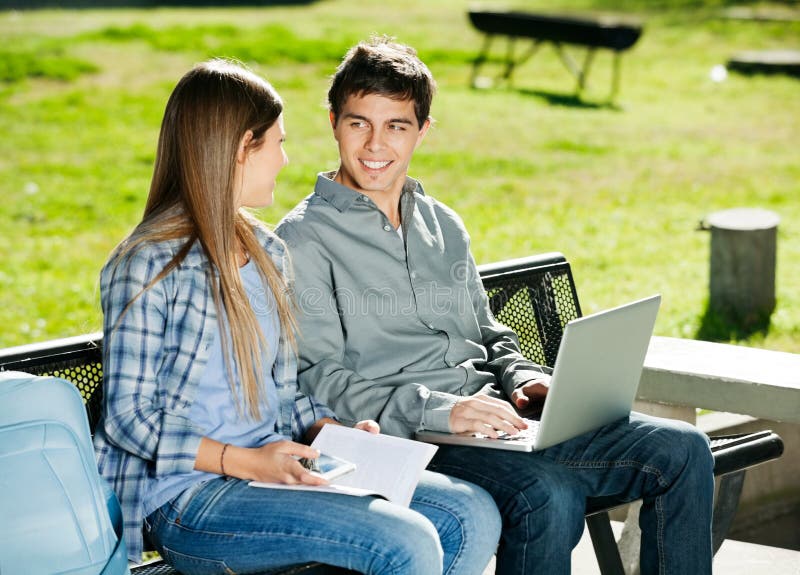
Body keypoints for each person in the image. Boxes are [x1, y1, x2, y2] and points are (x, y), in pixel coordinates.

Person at [275, 38, 715, 575]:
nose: (376, 144)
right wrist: (444, 409)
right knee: (547, 493)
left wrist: (524, 378)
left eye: (397, 126)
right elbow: (320, 380)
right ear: (333, 123)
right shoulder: (303, 240)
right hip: (411, 436)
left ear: (422, 131)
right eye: (359, 123)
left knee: (684, 449)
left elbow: (488, 334)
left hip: (499, 418)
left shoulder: (442, 224)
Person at [93, 58, 501, 575]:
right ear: (239, 149)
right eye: (277, 143)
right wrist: (248, 461)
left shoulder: (265, 251)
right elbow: (128, 416)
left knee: (469, 513)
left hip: (276, 465)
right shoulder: (149, 263)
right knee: (406, 540)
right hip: (192, 498)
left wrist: (332, 430)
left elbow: (278, 391)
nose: (285, 160)